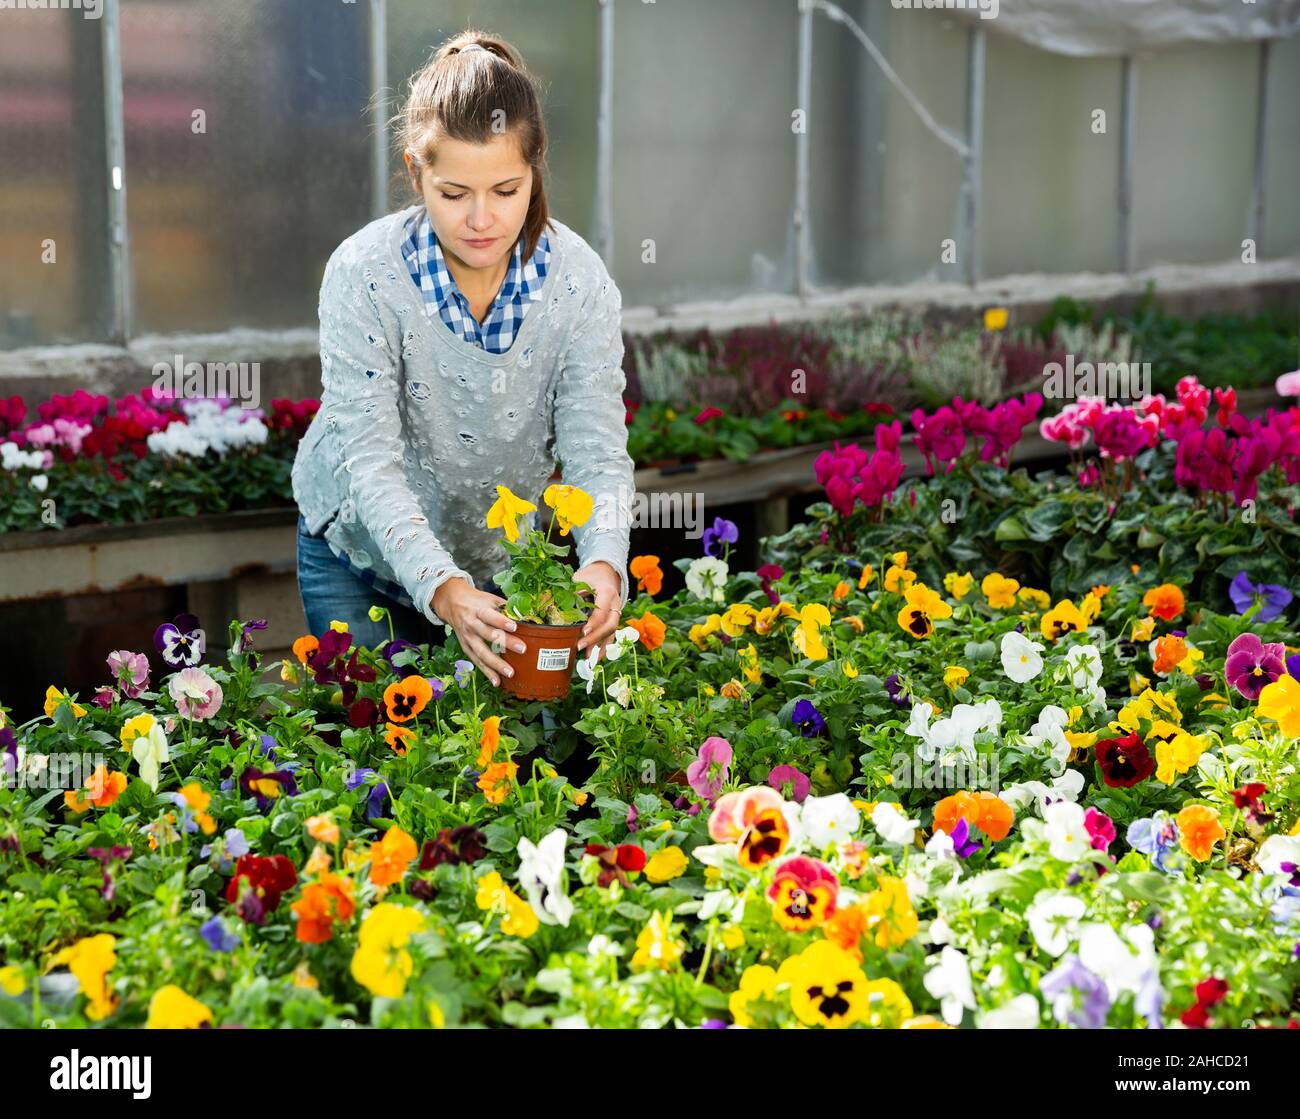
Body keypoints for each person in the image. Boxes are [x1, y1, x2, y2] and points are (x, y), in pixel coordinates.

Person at [292, 30, 635, 688]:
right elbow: (369, 464)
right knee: (381, 763)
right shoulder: (363, 274)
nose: (481, 219)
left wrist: (602, 561)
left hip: (494, 573)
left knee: (495, 774)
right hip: (360, 557)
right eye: (453, 194)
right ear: (415, 172)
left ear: (536, 171)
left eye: (506, 190)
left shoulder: (579, 283)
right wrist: (441, 587)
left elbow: (596, 452)